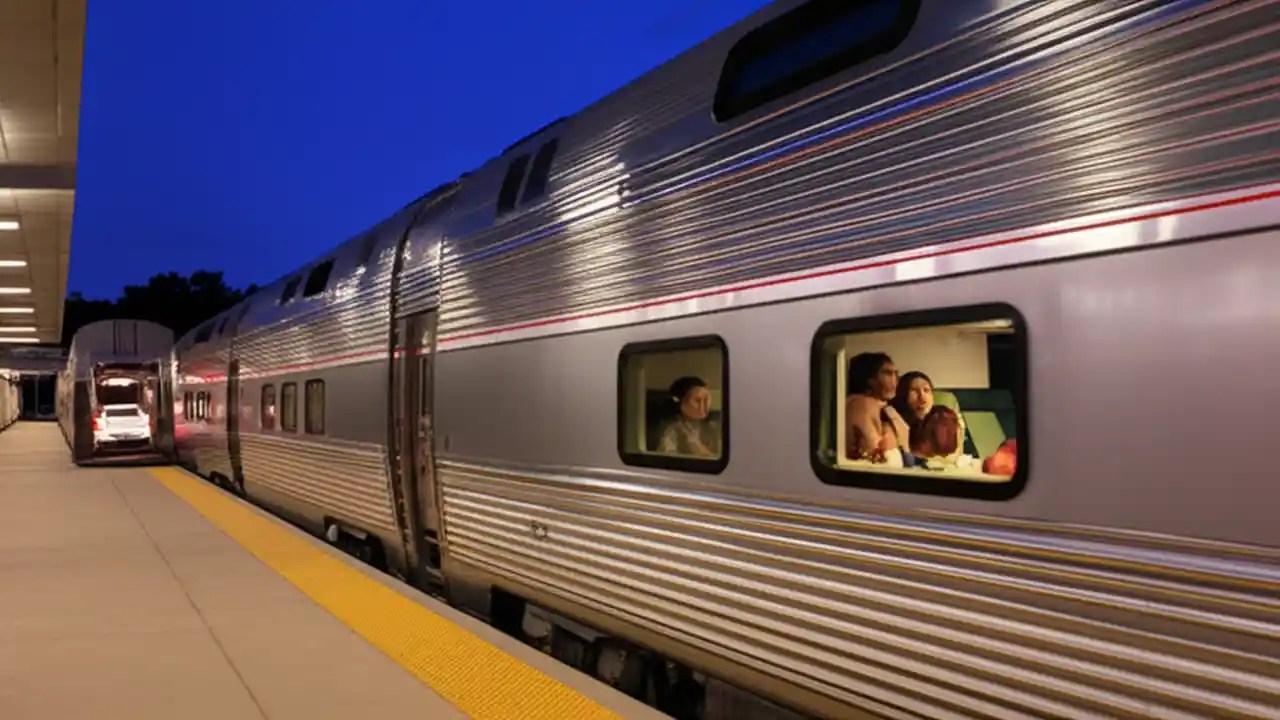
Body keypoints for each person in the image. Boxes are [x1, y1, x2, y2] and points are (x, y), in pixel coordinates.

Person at [844, 352, 910, 465]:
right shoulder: (861, 404)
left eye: (896, 374)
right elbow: (872, 453)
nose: (894, 379)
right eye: (888, 373)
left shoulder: (887, 407)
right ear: (869, 378)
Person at [657, 376, 721, 458]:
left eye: (706, 399)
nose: (704, 405)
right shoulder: (673, 429)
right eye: (697, 400)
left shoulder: (716, 425)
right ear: (680, 404)